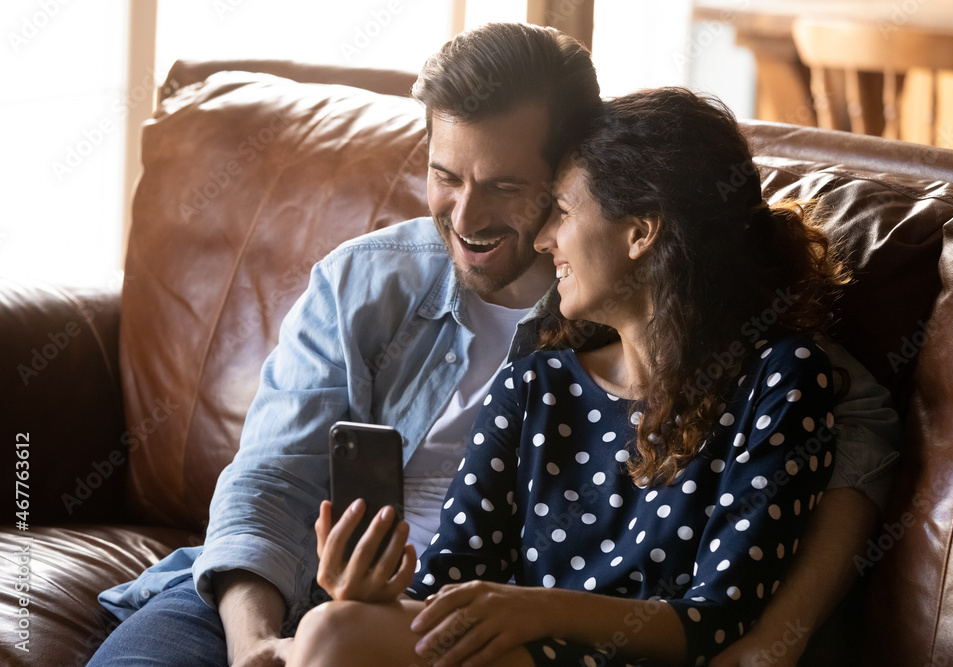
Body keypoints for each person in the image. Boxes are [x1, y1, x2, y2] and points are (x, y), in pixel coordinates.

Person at [88, 23, 899, 667]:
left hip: (469, 629)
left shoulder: (631, 308)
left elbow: (856, 418)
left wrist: (772, 640)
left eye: (509, 187)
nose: (467, 217)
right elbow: (267, 482)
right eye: (446, 174)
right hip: (287, 592)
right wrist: (257, 642)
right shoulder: (368, 284)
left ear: (574, 176)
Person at [284, 86, 849, 667]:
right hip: (525, 650)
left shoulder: (780, 379)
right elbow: (446, 585)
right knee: (334, 626)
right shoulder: (535, 386)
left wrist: (539, 609)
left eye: (563, 211)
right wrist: (370, 594)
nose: (544, 237)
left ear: (640, 232)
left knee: (335, 636)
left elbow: (721, 617)